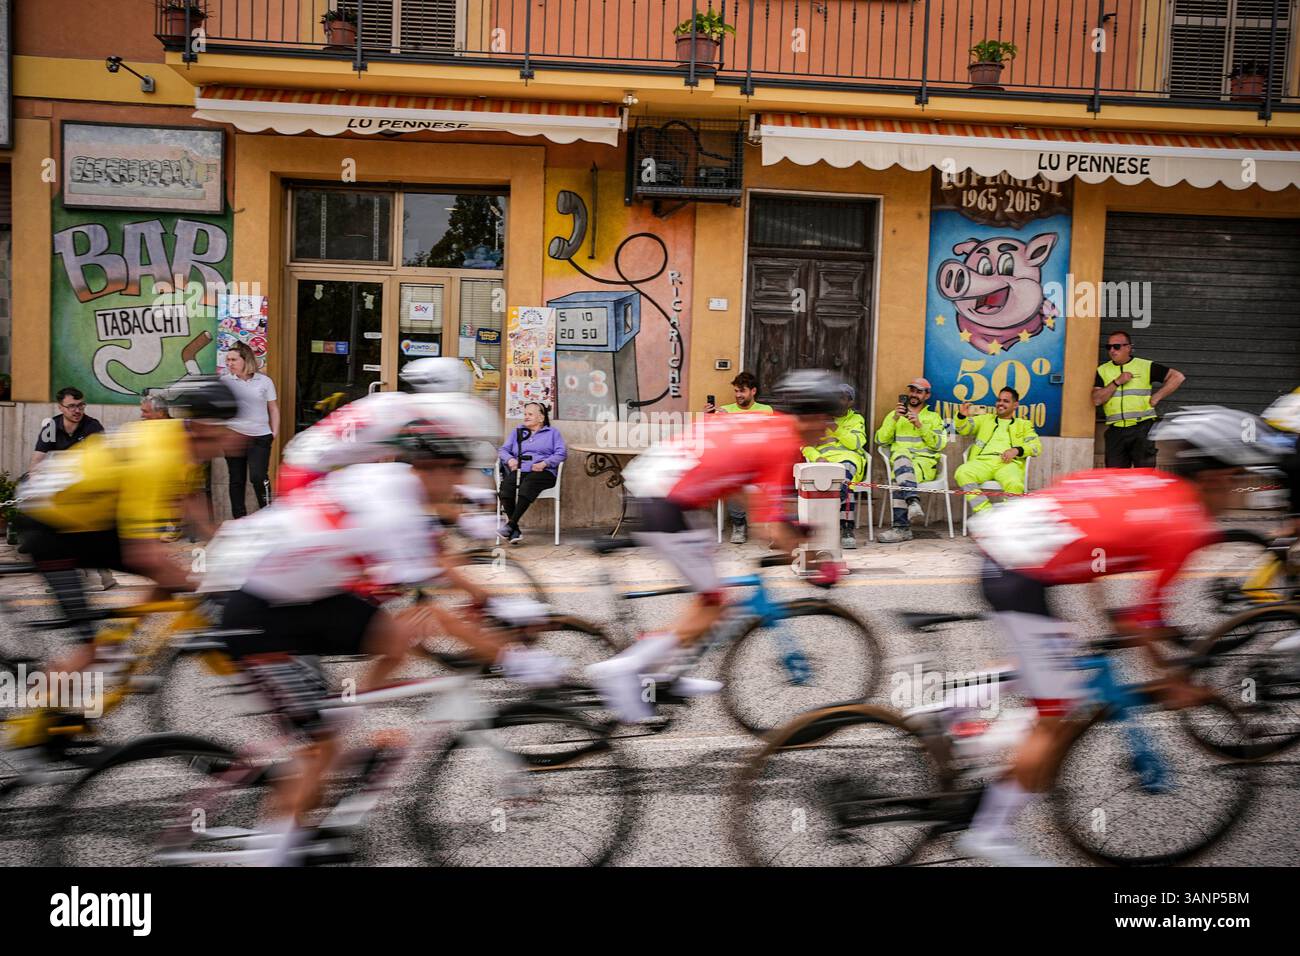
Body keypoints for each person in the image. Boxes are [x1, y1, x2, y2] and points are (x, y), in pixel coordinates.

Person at [200, 421, 572, 866]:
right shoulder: (394, 511)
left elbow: (433, 553)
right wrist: (516, 655)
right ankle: (270, 853)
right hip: (254, 608)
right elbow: (434, 594)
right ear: (429, 468)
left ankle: (342, 714)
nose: (460, 482)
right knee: (321, 748)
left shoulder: (393, 480)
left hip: (300, 591)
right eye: (456, 472)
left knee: (394, 639)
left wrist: (486, 578)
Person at [961, 405, 1279, 866]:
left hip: (1008, 552)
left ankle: (956, 705)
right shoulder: (1185, 526)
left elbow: (1089, 531)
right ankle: (989, 834)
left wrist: (1114, 618)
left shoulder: (1148, 483)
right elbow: (1141, 621)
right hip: (1021, 576)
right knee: (1056, 715)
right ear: (1216, 477)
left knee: (1054, 658)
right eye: (1240, 478)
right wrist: (1171, 681)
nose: (1243, 489)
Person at [589, 369, 841, 723]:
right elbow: (765, 528)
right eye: (829, 419)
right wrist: (811, 565)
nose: (830, 428)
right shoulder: (783, 443)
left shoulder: (764, 425)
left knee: (709, 598)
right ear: (812, 415)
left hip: (666, 490)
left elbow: (743, 484)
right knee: (714, 604)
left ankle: (662, 676)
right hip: (668, 502)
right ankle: (626, 671)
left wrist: (789, 532)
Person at [6, 376, 245, 748]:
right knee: (93, 646)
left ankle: (124, 644)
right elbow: (142, 551)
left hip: (90, 516)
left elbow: (190, 498)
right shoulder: (159, 457)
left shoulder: (186, 443)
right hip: (52, 525)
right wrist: (202, 584)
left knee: (166, 579)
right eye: (229, 429)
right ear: (203, 427)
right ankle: (28, 730)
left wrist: (223, 541)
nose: (237, 438)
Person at [276, 357, 495, 494]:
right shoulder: (416, 411)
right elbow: (434, 471)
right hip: (308, 475)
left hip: (310, 466)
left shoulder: (395, 402)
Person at [1093, 331, 1185, 468]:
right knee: (1115, 477)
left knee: (1144, 475)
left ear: (1128, 347)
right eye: (1109, 347)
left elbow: (1177, 377)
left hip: (1141, 429)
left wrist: (1157, 396)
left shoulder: (1145, 366)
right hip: (1115, 431)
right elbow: (1097, 400)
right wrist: (1117, 382)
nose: (1112, 350)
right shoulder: (1102, 370)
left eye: (1116, 346)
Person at [876, 377, 948, 544]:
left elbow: (940, 444)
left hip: (923, 466)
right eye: (912, 390)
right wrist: (894, 419)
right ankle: (912, 502)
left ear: (927, 395)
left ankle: (901, 529)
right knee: (901, 461)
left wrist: (920, 426)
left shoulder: (934, 417)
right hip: (902, 463)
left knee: (898, 476)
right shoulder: (894, 415)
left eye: (919, 391)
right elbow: (880, 440)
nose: (914, 394)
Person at [706, 371, 774, 544]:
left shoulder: (765, 411)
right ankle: (738, 524)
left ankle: (772, 526)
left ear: (753, 391)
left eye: (742, 391)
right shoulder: (725, 410)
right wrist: (709, 418)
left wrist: (732, 421)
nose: (738, 395)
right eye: (736, 391)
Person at [953, 387, 1042, 516]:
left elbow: (1036, 447)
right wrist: (961, 416)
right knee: (962, 472)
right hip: (983, 462)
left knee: (1015, 483)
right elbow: (963, 429)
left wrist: (1016, 450)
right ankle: (985, 513)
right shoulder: (985, 419)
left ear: (1015, 405)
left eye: (1006, 401)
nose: (1000, 403)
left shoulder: (1023, 425)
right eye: (999, 400)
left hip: (1008, 464)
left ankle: (1007, 520)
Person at [801, 382, 867, 549]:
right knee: (843, 484)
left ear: (850, 402)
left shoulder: (856, 419)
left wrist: (835, 427)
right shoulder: (818, 418)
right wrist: (817, 458)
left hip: (849, 460)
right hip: (824, 461)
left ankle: (845, 529)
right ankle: (843, 525)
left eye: (841, 398)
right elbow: (805, 445)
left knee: (845, 475)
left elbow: (856, 443)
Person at [221, 342, 278, 519]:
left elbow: (273, 408)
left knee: (258, 476)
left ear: (246, 360)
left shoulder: (265, 381)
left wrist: (273, 433)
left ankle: (268, 516)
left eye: (233, 360)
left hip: (260, 436)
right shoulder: (225, 382)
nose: (229, 363)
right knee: (236, 480)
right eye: (227, 360)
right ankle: (239, 520)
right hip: (233, 436)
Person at [497, 401, 566, 545]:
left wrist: (545, 463)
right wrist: (510, 460)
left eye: (530, 414)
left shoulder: (552, 433)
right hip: (521, 469)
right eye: (525, 414)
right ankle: (514, 529)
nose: (526, 417)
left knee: (527, 486)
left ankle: (511, 525)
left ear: (541, 418)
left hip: (544, 473)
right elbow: (503, 450)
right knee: (505, 489)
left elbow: (561, 453)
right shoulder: (518, 431)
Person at [30, 387, 104, 472]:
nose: (77, 410)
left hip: (85, 475)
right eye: (71, 406)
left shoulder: (93, 426)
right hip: (57, 475)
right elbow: (38, 457)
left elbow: (102, 457)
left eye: (81, 405)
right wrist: (33, 477)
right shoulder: (51, 427)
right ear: (60, 407)